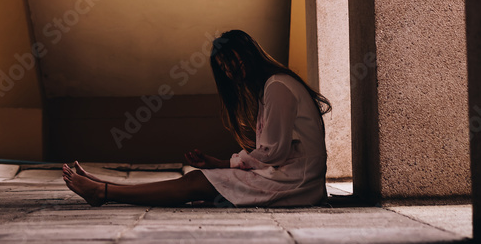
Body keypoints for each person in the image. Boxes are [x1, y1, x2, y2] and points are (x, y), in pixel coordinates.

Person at [62, 29, 331, 207]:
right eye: (223, 67)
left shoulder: (277, 86)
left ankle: (103, 193)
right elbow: (274, 153)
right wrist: (221, 164)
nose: (229, 71)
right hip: (290, 178)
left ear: (248, 51)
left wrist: (225, 164)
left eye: (232, 60)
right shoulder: (270, 87)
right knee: (198, 180)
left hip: (297, 183)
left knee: (196, 182)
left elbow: (274, 153)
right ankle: (105, 187)